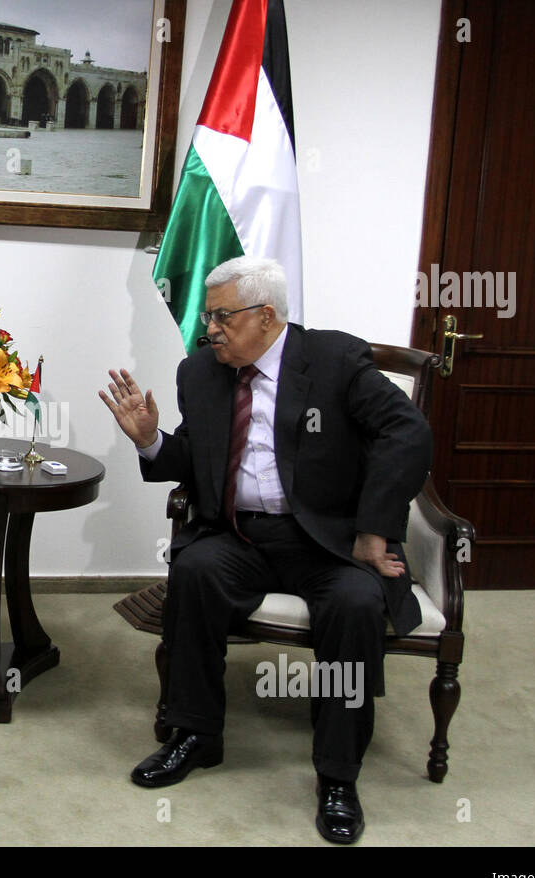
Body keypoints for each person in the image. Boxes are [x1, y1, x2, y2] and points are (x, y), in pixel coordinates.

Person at [100, 255, 432, 844]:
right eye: (208, 317)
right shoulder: (199, 372)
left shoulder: (334, 360)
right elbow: (196, 464)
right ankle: (196, 735)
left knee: (355, 607)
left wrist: (375, 528)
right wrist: (151, 440)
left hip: (328, 542)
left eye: (222, 317)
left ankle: (337, 776)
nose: (211, 330)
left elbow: (406, 430)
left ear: (267, 316)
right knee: (196, 569)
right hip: (243, 535)